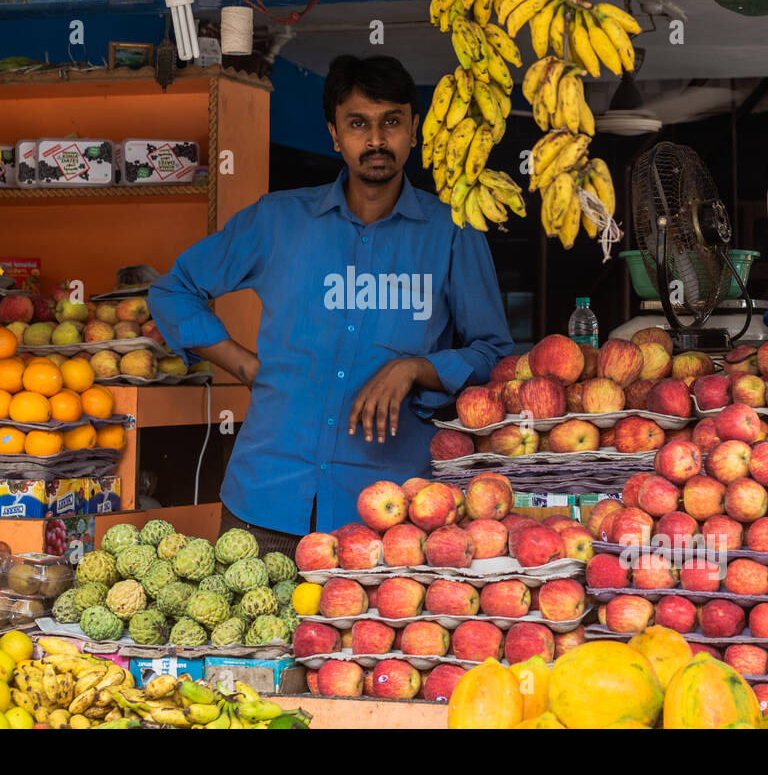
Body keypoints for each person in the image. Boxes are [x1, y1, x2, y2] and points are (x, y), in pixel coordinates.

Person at [147, 54, 513, 552]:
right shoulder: (278, 220)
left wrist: (414, 368)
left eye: (391, 123)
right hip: (266, 496)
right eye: (358, 124)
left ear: (413, 130)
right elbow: (174, 290)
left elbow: (492, 353)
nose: (377, 140)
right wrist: (247, 368)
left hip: (391, 513)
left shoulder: (452, 233)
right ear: (335, 135)